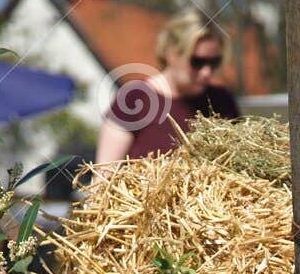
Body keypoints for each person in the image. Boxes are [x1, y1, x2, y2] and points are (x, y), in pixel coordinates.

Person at [94, 9, 240, 168]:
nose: (206, 72)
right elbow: (103, 177)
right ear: (172, 53)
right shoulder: (135, 98)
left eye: (214, 62)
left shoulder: (222, 102)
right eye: (197, 61)